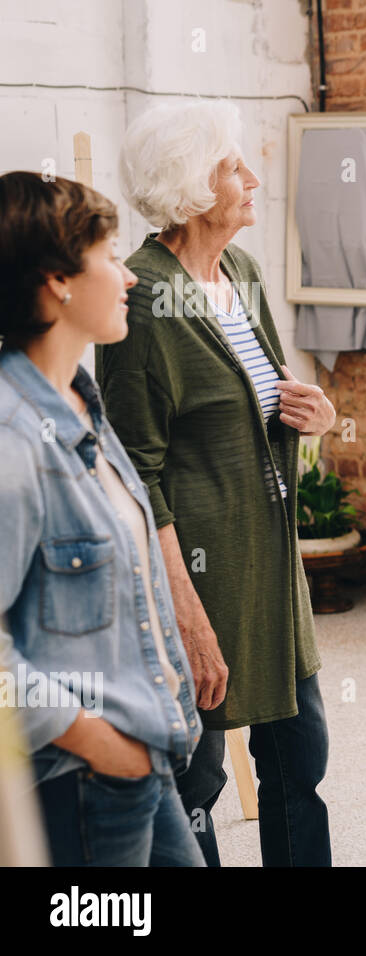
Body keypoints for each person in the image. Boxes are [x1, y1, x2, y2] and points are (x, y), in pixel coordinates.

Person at [99, 99, 336, 866]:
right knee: (195, 779)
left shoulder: (243, 270)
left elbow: (263, 396)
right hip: (196, 578)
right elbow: (140, 475)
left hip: (268, 564)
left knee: (301, 758)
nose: (253, 178)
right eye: (235, 166)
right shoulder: (139, 297)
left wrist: (314, 413)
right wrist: (187, 622)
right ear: (189, 185)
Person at [0, 171, 203, 866]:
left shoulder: (84, 401)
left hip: (146, 753)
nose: (130, 277)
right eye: (111, 257)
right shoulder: (12, 438)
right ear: (57, 279)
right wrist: (96, 743)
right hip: (86, 773)